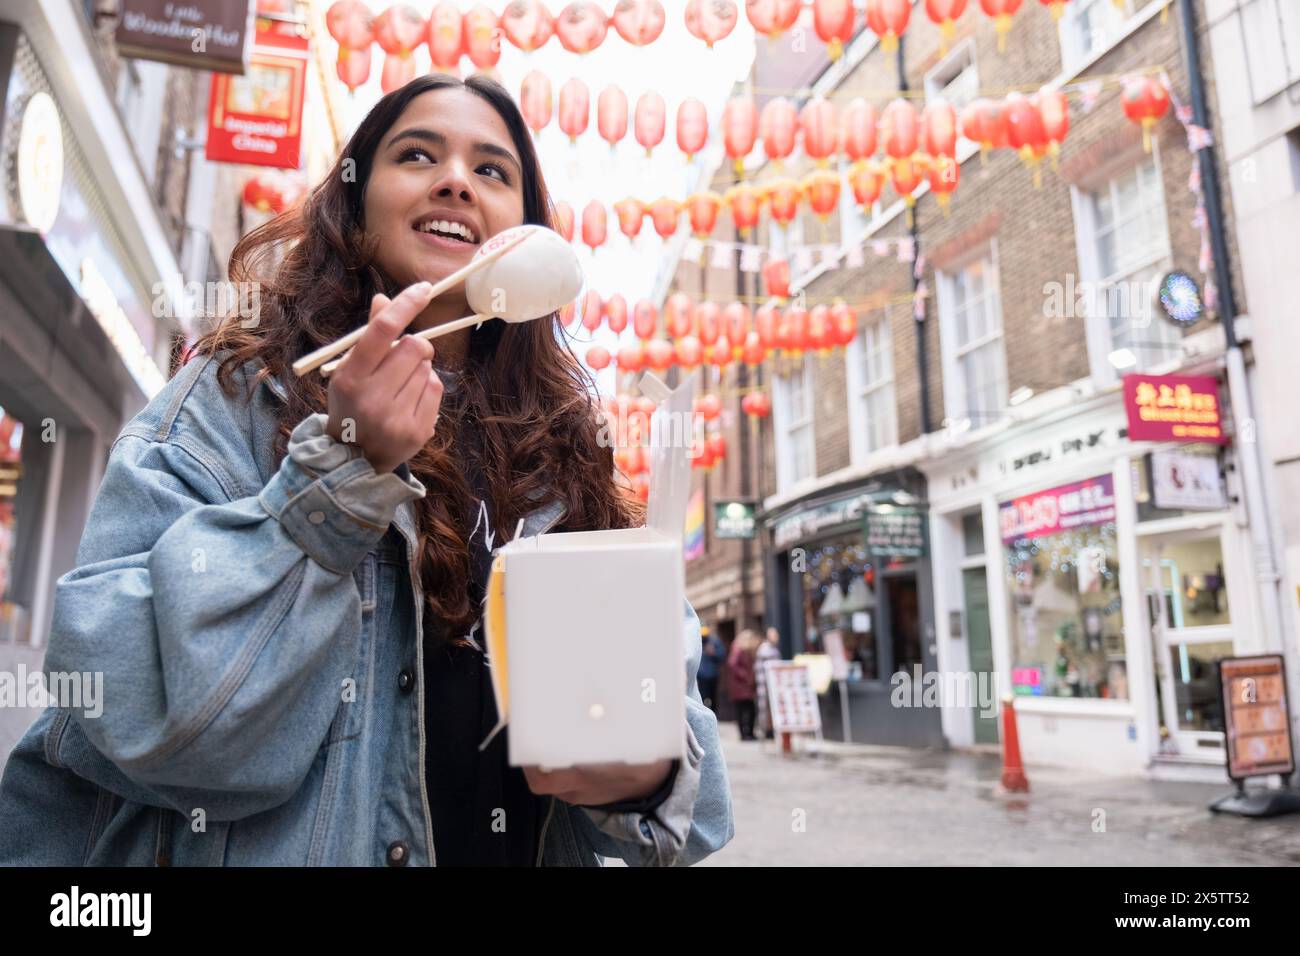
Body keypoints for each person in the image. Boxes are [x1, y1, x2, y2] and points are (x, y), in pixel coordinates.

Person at [0, 74, 732, 867]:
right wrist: (342, 475)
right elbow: (132, 713)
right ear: (354, 200)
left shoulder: (564, 466)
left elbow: (694, 813)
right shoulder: (236, 399)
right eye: (417, 155)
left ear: (523, 232)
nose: (455, 179)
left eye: (493, 171)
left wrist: (644, 775)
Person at [727, 630, 759, 741]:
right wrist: (745, 676)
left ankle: (749, 732)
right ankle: (744, 734)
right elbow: (733, 664)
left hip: (747, 686)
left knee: (750, 710)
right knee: (742, 710)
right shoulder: (738, 649)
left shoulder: (748, 650)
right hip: (740, 686)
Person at [754, 626, 782, 740]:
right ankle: (767, 730)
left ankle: (771, 730)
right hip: (766, 685)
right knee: (765, 709)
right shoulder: (764, 650)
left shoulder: (775, 650)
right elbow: (761, 669)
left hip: (774, 685)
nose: (776, 637)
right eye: (774, 635)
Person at [697, 625, 725, 714]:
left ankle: (713, 716)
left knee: (713, 698)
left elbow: (722, 656)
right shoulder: (696, 641)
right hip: (701, 676)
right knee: (701, 698)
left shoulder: (715, 642)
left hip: (713, 675)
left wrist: (714, 653)